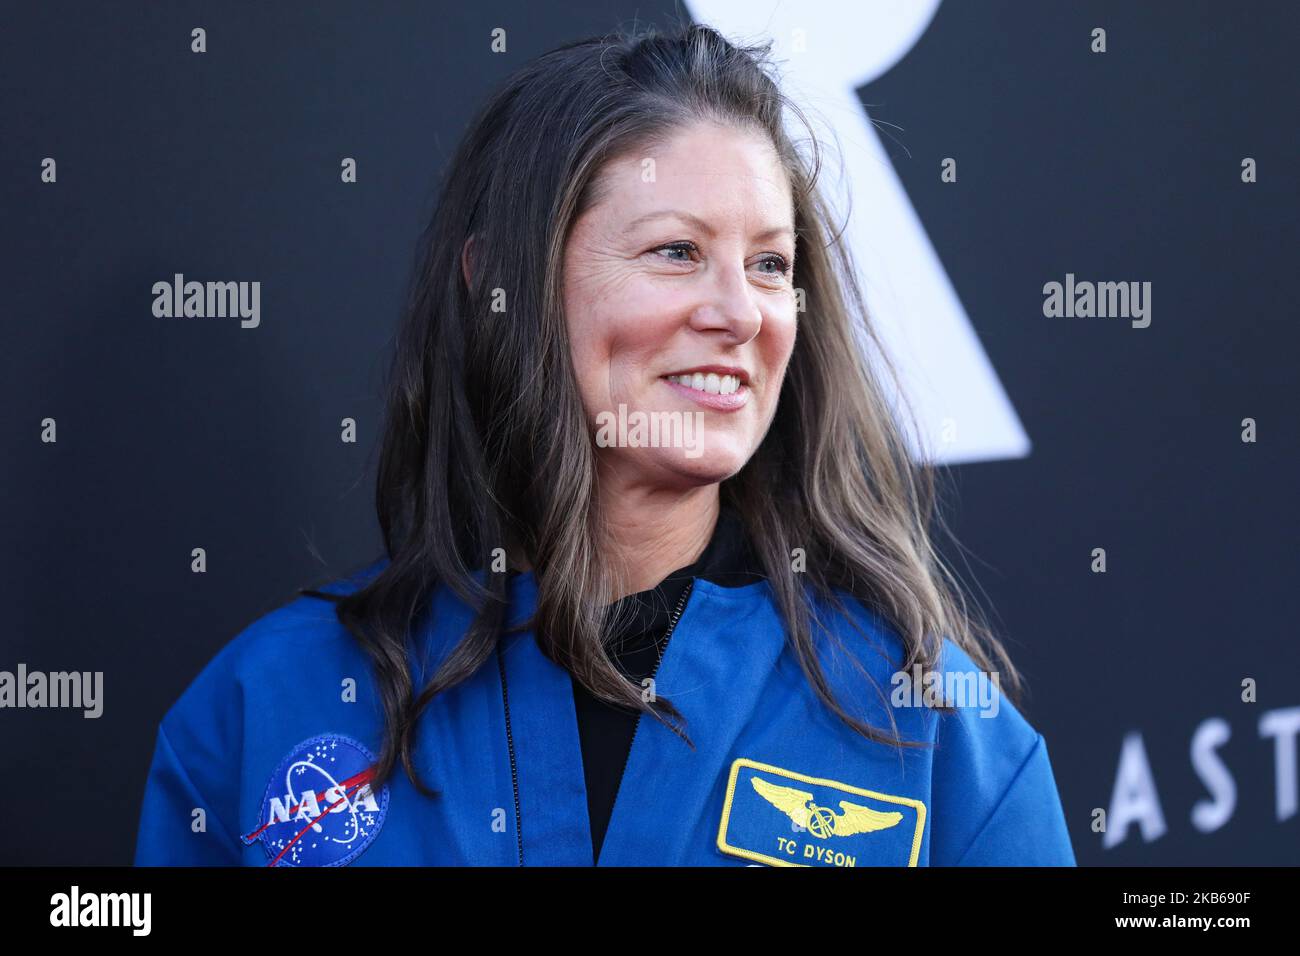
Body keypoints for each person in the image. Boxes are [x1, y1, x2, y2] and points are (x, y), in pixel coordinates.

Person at [133, 23, 1075, 867]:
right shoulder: (265, 710)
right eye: (676, 251)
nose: (738, 313)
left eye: (769, 264)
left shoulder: (933, 734)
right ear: (500, 278)